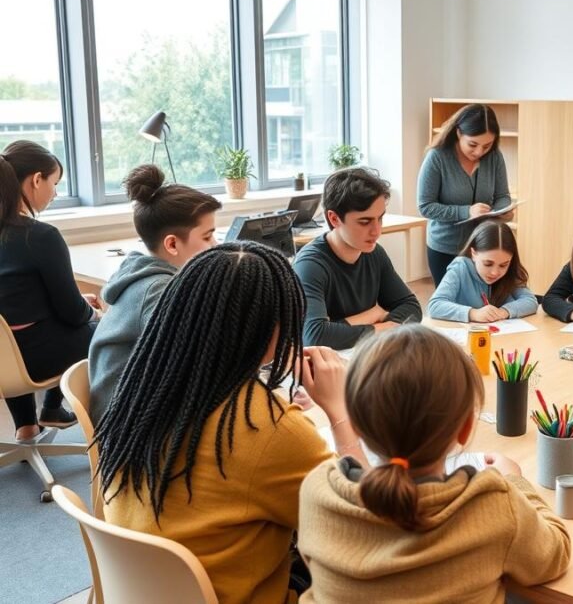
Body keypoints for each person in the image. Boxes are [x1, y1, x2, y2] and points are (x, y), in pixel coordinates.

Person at [96, 242, 361, 604]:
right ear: (274, 328)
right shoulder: (268, 427)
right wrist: (340, 410)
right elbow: (361, 526)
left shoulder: (141, 390)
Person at [298, 324, 571, 602]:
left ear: (355, 424)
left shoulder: (317, 491)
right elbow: (555, 555)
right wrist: (515, 482)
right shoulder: (495, 506)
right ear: (466, 428)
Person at [87, 165, 221, 423]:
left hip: (128, 407)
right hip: (129, 423)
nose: (215, 245)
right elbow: (186, 365)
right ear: (172, 244)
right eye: (207, 237)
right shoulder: (159, 290)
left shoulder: (145, 276)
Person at [0, 140, 96, 439]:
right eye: (55, 183)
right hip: (30, 358)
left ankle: (27, 426)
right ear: (36, 179)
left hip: (6, 357)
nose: (55, 193)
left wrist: (78, 303)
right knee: (107, 330)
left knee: (13, 331)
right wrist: (92, 311)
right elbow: (72, 313)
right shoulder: (40, 237)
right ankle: (110, 429)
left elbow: (17, 303)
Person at [294, 167, 422, 350]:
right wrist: (374, 320)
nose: (376, 231)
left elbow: (411, 307)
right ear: (334, 219)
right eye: (365, 222)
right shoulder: (309, 266)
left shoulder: (375, 253)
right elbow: (314, 336)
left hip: (360, 354)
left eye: (380, 218)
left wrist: (346, 327)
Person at [417, 104, 512, 285]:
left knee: (482, 299)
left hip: (483, 247)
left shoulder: (495, 157)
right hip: (445, 247)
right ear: (459, 133)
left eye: (487, 145)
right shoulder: (437, 157)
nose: (479, 152)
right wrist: (467, 212)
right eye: (472, 144)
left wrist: (502, 210)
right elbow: (425, 206)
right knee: (449, 299)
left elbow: (502, 195)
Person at [426, 221, 537, 322]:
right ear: (473, 253)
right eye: (488, 264)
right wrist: (473, 313)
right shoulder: (460, 268)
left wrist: (504, 311)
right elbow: (435, 306)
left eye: (503, 265)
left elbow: (530, 301)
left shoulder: (510, 271)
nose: (495, 272)